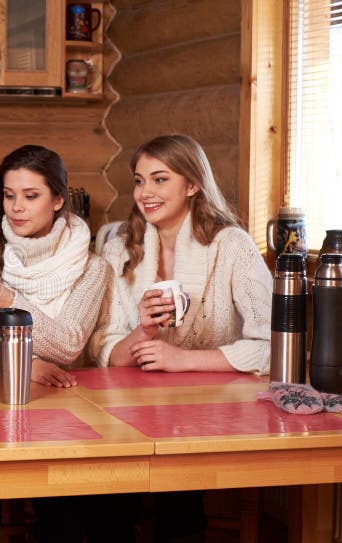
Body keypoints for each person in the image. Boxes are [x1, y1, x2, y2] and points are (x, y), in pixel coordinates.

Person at [94, 134, 272, 542]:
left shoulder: (233, 246)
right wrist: (145, 330)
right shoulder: (122, 249)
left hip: (206, 410)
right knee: (106, 507)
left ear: (192, 185)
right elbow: (104, 350)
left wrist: (183, 359)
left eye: (160, 180)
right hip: (128, 409)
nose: (145, 193)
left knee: (180, 511)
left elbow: (270, 345)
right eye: (139, 181)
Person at [0, 144, 108, 543]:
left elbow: (67, 346)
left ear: (58, 200)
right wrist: (20, 366)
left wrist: (7, 299)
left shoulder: (91, 267)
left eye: (31, 196)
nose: (17, 207)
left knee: (63, 515)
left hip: (57, 407)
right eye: (9, 196)